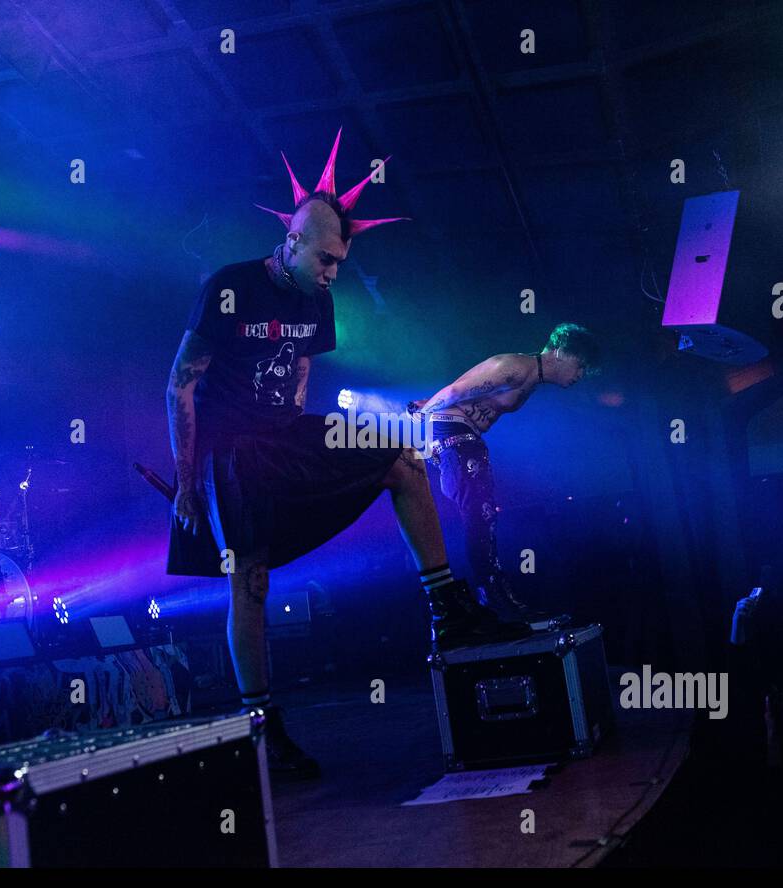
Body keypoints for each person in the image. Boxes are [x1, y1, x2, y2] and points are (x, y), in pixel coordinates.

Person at [164, 131, 527, 778]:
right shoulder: (230, 287)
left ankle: (448, 612)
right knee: (251, 580)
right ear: (294, 241)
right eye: (327, 258)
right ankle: (262, 728)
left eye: (339, 262)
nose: (333, 272)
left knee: (399, 458)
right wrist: (189, 483)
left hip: (286, 435)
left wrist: (310, 452)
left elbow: (301, 376)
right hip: (229, 450)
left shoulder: (320, 298)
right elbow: (180, 385)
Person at [408, 323, 599, 620]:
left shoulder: (530, 379)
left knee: (483, 519)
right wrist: (425, 413)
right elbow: (456, 390)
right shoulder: (514, 368)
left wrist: (428, 405)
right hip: (455, 437)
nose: (581, 375)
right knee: (480, 518)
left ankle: (494, 596)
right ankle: (493, 598)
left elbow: (464, 389)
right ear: (561, 352)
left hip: (463, 439)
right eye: (581, 365)